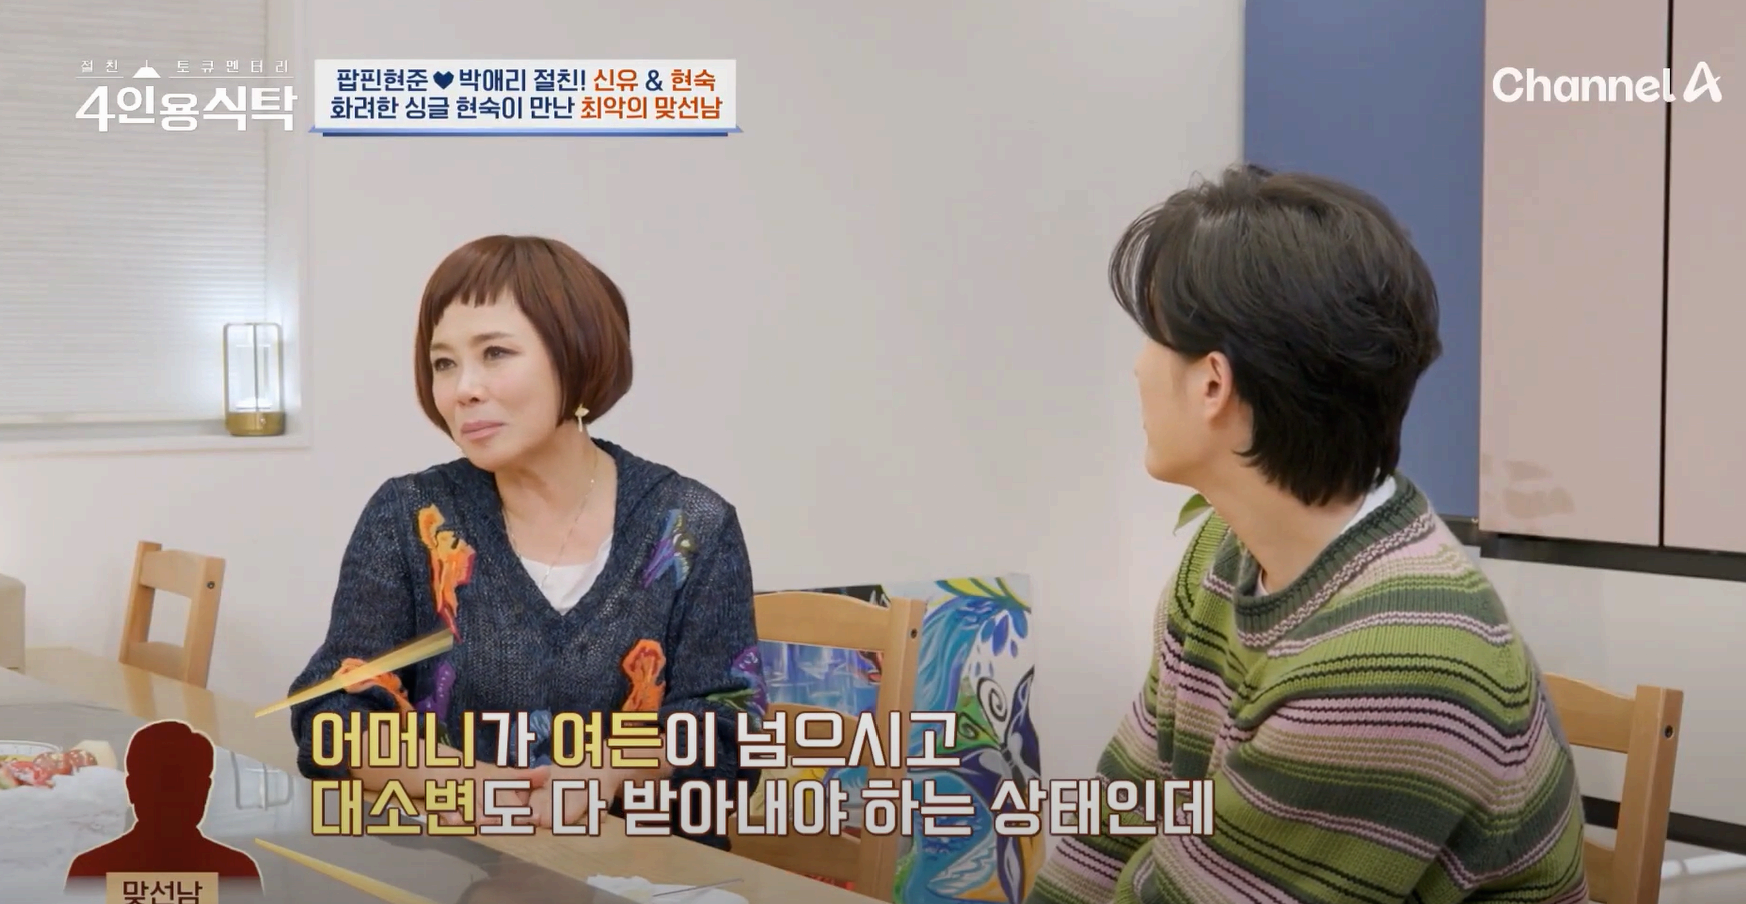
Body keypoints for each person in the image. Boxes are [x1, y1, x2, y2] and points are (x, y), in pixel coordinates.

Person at [1023, 166, 1589, 904]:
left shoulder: (1394, 662)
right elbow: (1123, 810)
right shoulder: (1223, 556)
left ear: (1213, 384)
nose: (1137, 367)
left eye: (1154, 338)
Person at [287, 235, 768, 849]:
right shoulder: (411, 516)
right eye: (444, 363)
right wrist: (468, 784)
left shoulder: (690, 525)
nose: (462, 389)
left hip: (646, 877)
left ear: (577, 354)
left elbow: (730, 728)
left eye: (495, 353)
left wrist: (608, 771)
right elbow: (331, 713)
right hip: (460, 871)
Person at [66, 720, 262, 890]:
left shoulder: (90, 870)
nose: (172, 800)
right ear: (205, 790)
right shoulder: (237, 872)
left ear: (131, 788)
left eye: (181, 786)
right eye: (164, 785)